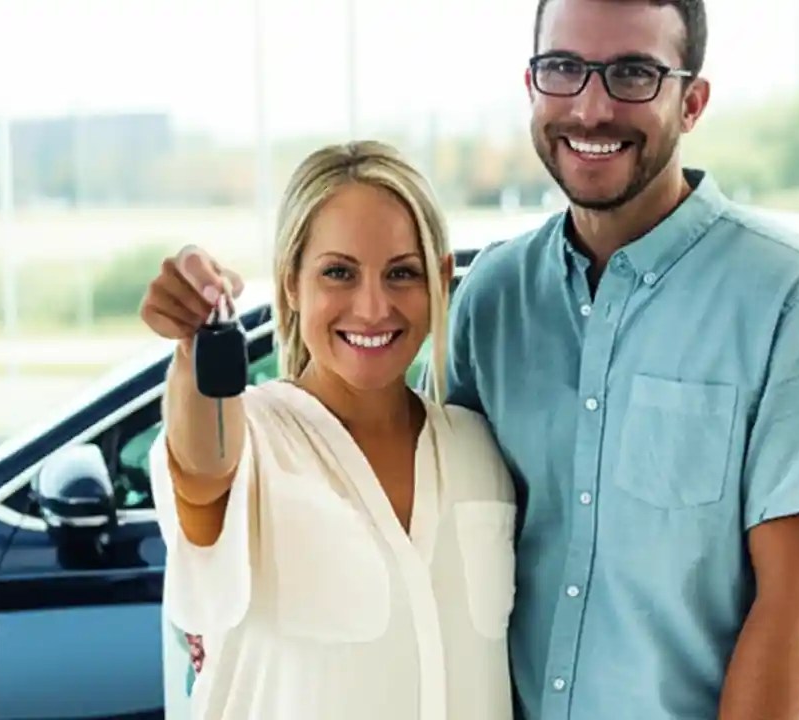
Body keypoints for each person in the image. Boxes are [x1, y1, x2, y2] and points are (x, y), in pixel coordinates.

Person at [444, 1, 799, 719]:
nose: (591, 108)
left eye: (633, 73)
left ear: (693, 101)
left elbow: (798, 607)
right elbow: (417, 517)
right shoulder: (493, 296)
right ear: (532, 85)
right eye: (564, 68)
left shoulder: (796, 301)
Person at [141, 140, 518, 720]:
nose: (372, 308)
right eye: (338, 273)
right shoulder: (260, 441)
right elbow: (203, 466)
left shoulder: (480, 449)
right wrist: (196, 347)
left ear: (441, 280)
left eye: (402, 273)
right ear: (291, 282)